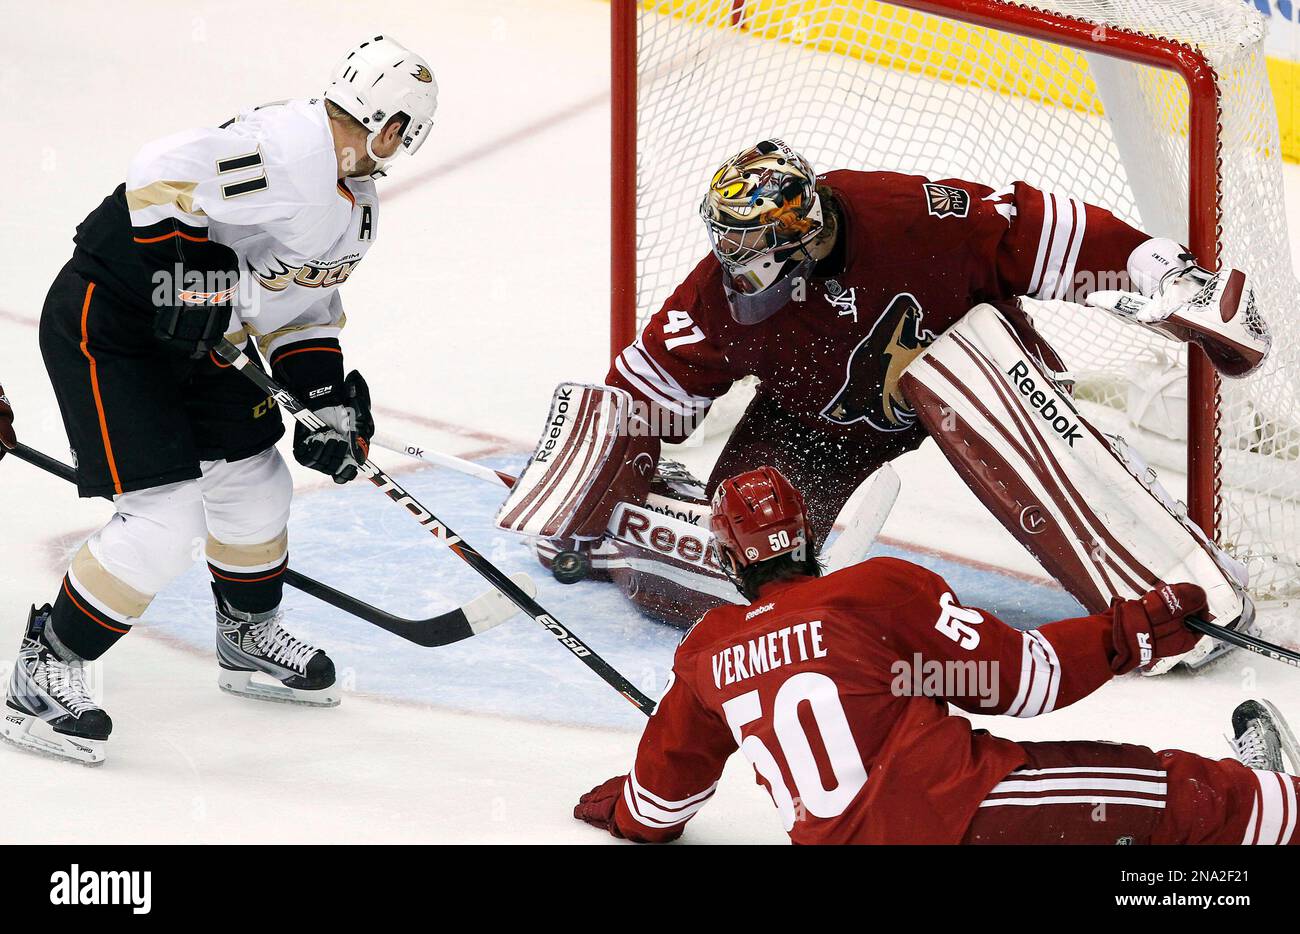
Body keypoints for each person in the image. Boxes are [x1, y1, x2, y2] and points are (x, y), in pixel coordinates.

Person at [508, 139, 1267, 677]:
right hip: (818, 424)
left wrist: (1163, 271)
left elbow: (1042, 234)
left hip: (976, 378)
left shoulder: (906, 214)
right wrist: (590, 496)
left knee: (968, 382)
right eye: (725, 242)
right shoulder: (715, 296)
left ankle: (1179, 597)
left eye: (750, 245)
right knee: (723, 584)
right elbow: (640, 399)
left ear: (799, 232)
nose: (732, 264)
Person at [1, 35, 438, 766]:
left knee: (256, 481)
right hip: (112, 324)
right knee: (164, 517)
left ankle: (245, 635)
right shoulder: (291, 147)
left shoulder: (353, 207)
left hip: (206, 338)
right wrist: (184, 266)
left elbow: (299, 313)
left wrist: (326, 402)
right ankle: (42, 671)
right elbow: (159, 169)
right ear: (393, 129)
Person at [573, 466, 1298, 844]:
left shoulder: (707, 654)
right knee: (1181, 792)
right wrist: (1131, 633)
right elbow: (1024, 681)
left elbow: (659, 803)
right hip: (964, 813)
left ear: (731, 561)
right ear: (808, 536)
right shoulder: (874, 591)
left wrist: (621, 811)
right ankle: (1274, 811)